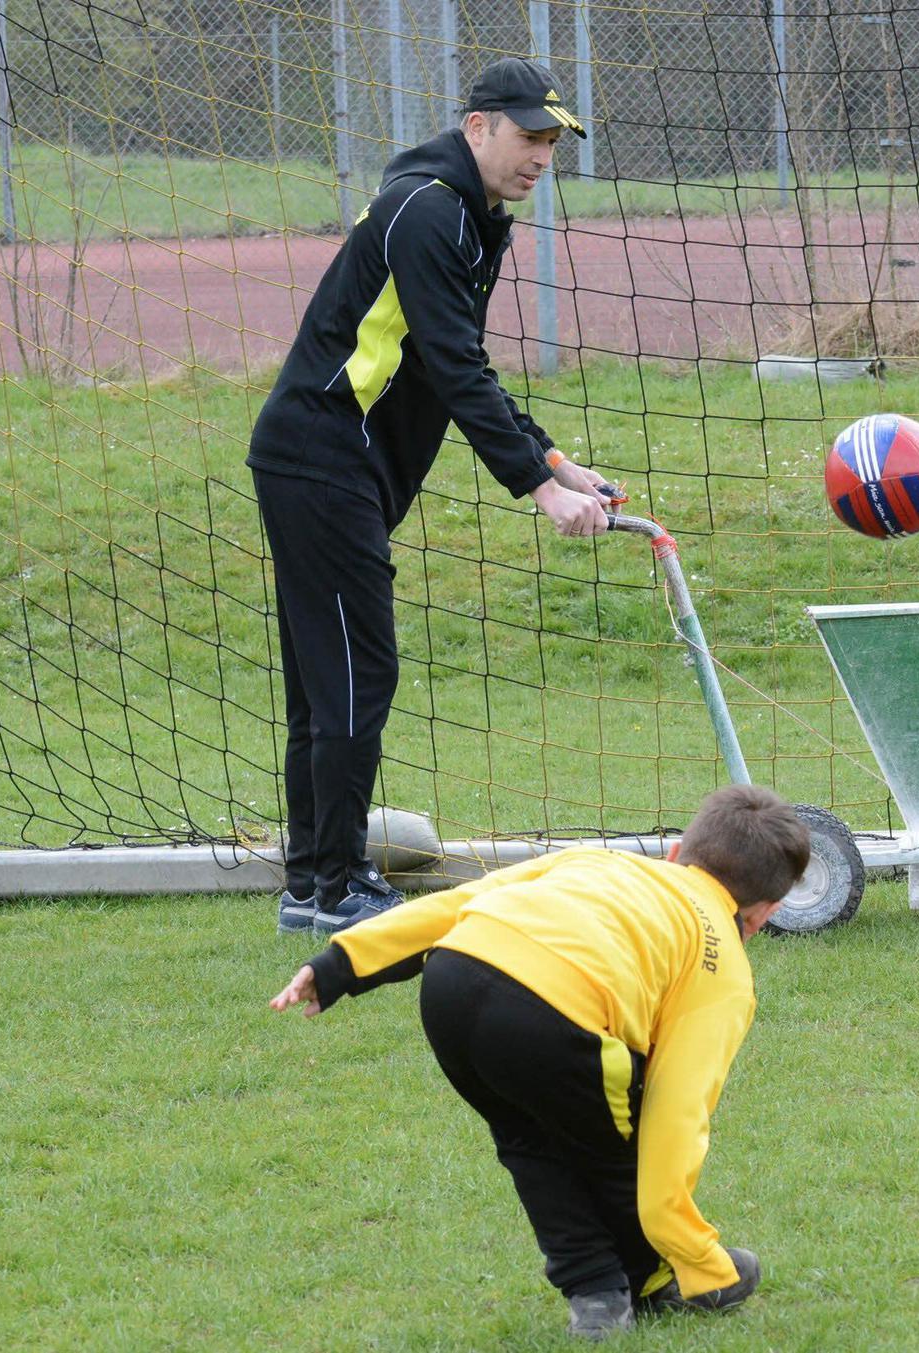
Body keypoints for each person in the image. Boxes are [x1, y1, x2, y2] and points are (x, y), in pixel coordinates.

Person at [247, 57, 616, 936]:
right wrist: (535, 487)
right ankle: (336, 886)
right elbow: (453, 365)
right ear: (479, 126)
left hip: (332, 465)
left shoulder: (463, 211)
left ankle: (312, 879)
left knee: (325, 683)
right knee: (353, 677)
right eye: (529, 137)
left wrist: (556, 460)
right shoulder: (432, 211)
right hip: (323, 457)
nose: (541, 157)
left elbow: (458, 363)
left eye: (553, 142)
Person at [268, 783, 809, 1340]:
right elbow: (676, 1120)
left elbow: (460, 903)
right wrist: (703, 1259)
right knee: (620, 1152)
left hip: (452, 982)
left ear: (674, 852)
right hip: (554, 1013)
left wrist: (341, 963)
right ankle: (662, 1279)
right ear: (764, 914)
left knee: (528, 1137)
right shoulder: (724, 969)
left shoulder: (597, 861)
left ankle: (597, 1293)